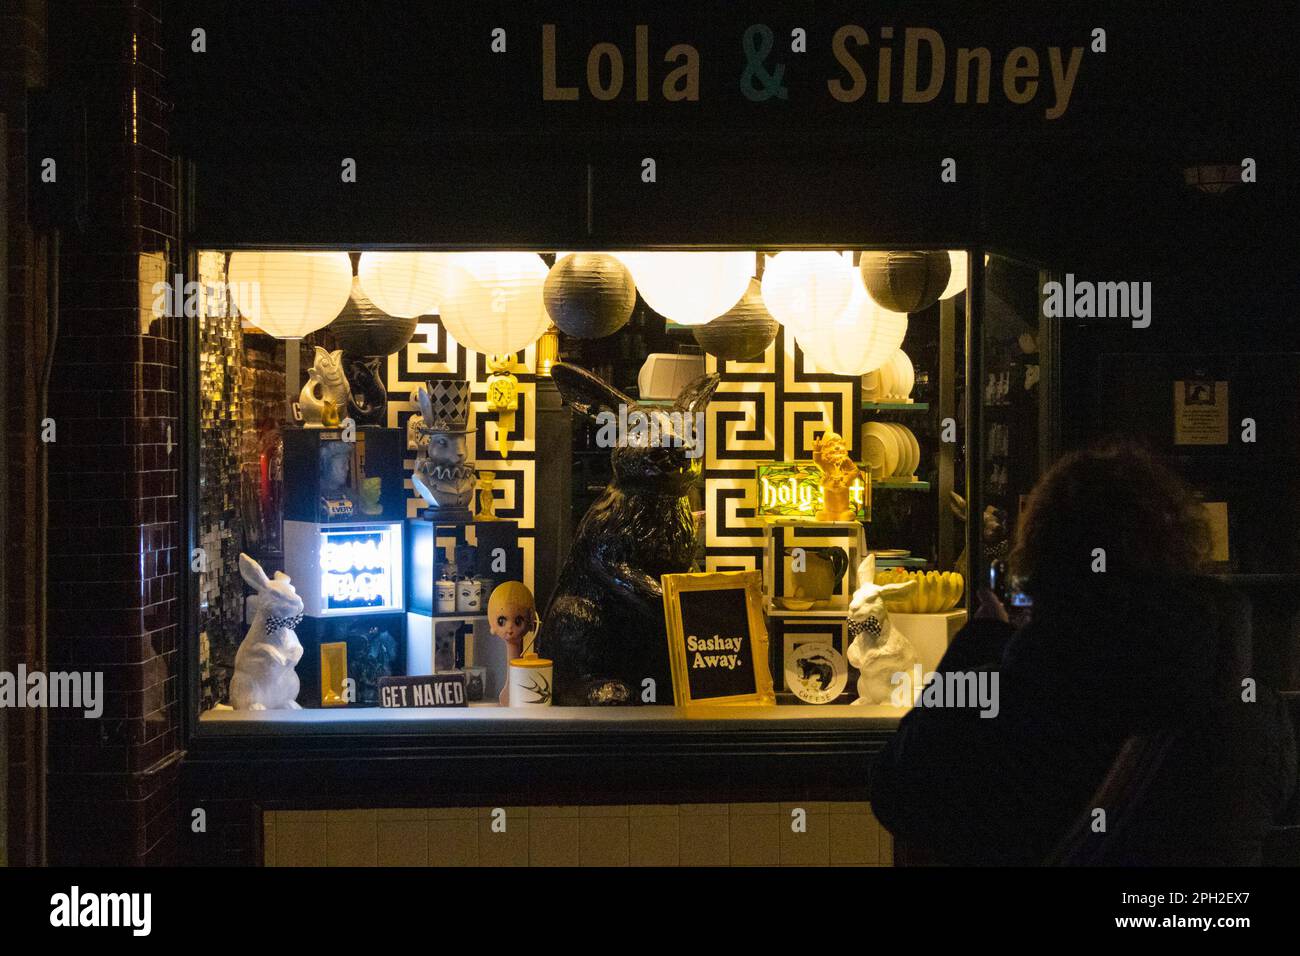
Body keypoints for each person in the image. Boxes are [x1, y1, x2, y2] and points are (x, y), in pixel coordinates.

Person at [870, 440, 1297, 865]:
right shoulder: (1251, 711)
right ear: (1184, 548)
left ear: (1039, 560)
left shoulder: (999, 705)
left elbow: (897, 793)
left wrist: (976, 647)